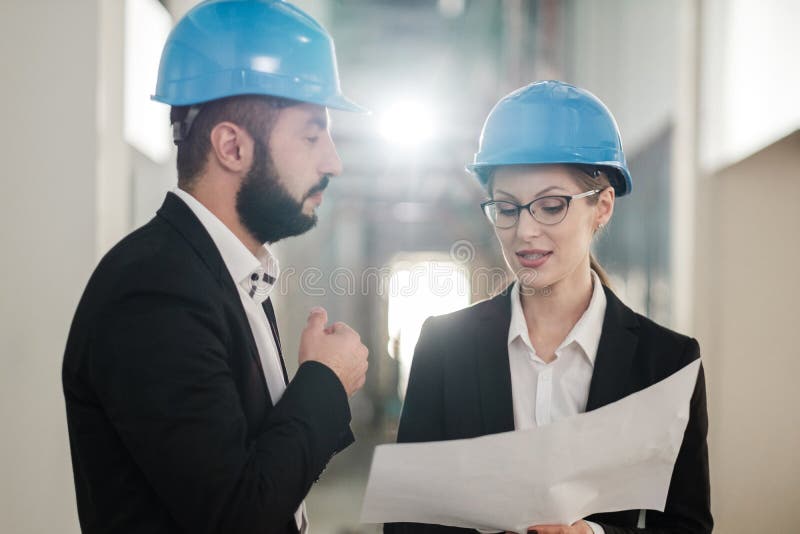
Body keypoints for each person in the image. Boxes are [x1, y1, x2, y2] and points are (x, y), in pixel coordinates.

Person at [62, 1, 369, 533]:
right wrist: (325, 382)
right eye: (313, 134)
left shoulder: (227, 277)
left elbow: (260, 479)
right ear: (232, 146)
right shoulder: (154, 293)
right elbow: (236, 513)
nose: (333, 162)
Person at [384, 81, 712, 534]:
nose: (525, 232)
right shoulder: (444, 347)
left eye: (551, 206)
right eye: (506, 208)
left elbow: (687, 526)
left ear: (602, 207)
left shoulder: (667, 363)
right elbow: (408, 523)